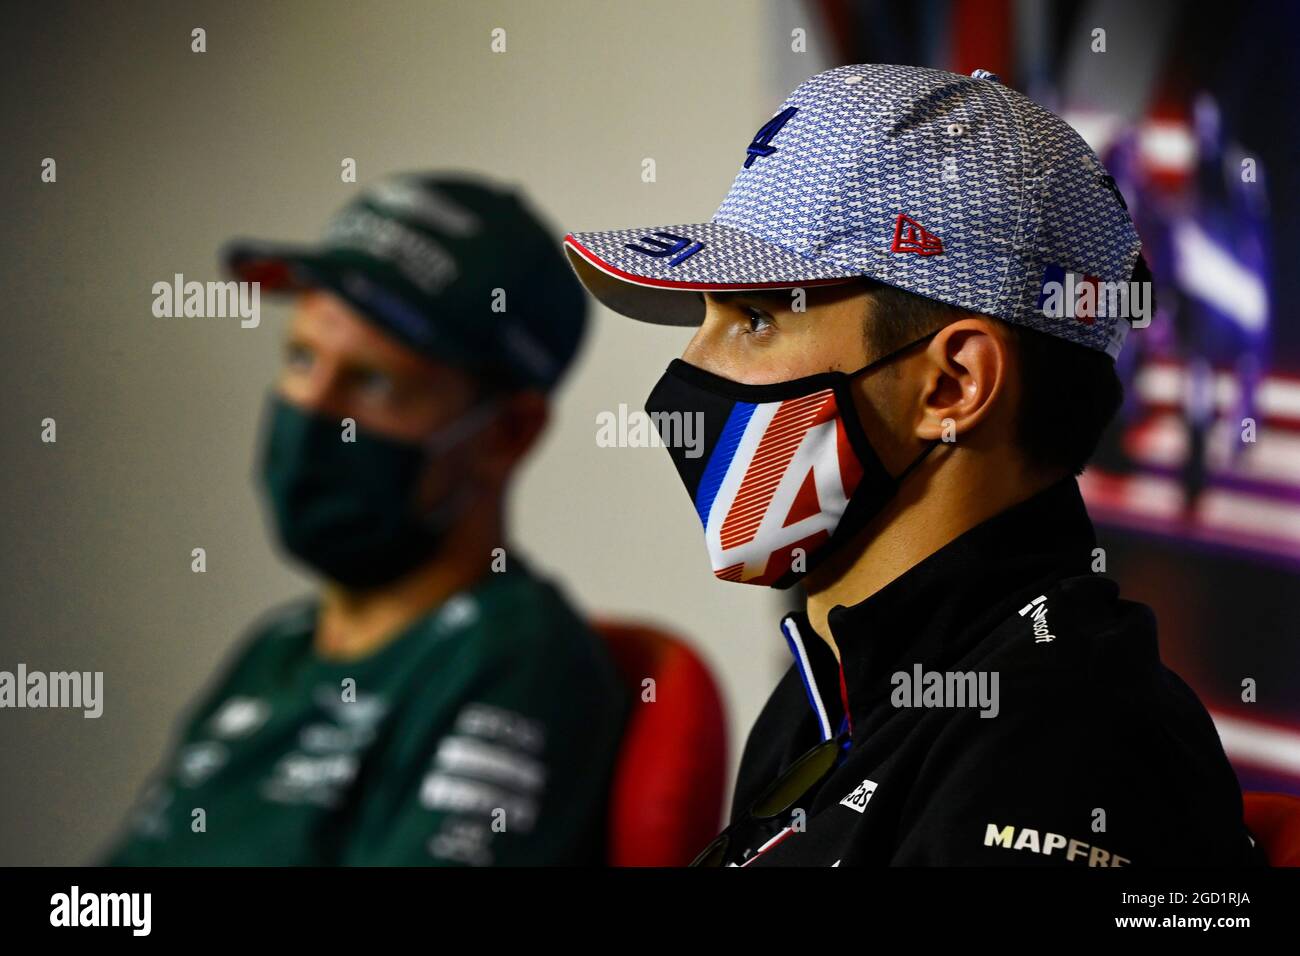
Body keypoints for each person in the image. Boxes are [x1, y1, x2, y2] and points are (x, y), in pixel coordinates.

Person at [562, 64, 1265, 866]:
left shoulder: (1066, 746)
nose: (690, 365)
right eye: (706, 317)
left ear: (952, 385)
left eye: (755, 318)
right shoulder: (826, 694)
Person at [102, 172, 629, 866]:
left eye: (372, 380)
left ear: (507, 434)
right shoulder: (276, 650)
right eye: (301, 358)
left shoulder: (514, 662)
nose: (312, 410)